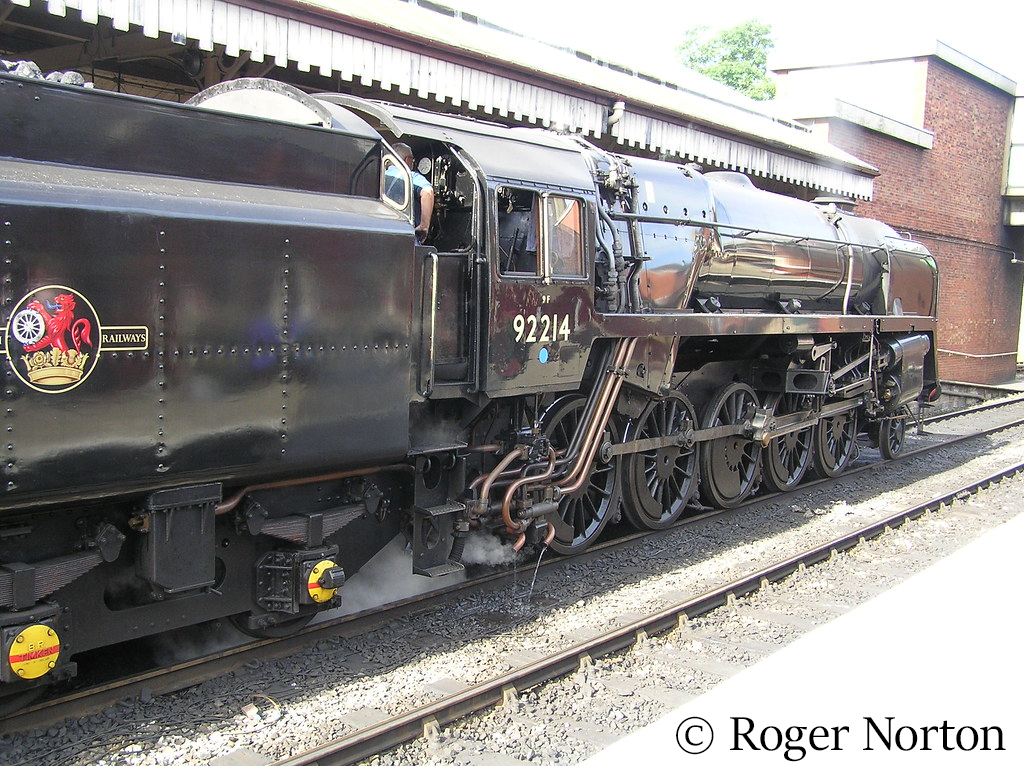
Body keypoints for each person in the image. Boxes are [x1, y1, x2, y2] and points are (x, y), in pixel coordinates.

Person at [392, 143, 434, 243]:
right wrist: (424, 226)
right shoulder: (410, 176)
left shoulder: (379, 175)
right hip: (406, 236)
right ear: (408, 160)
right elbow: (428, 192)